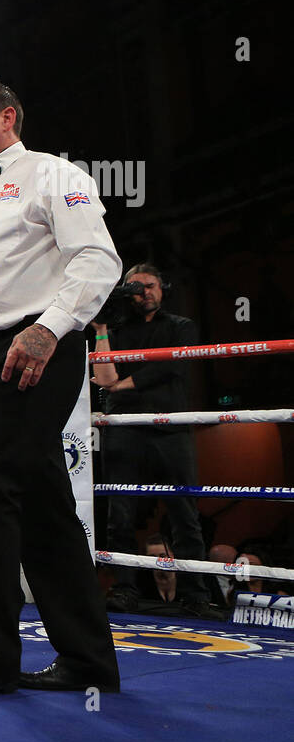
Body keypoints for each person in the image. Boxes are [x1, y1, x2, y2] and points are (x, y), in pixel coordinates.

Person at [0, 81, 122, 696]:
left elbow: (97, 259)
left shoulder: (52, 174)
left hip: (40, 349)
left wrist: (50, 329)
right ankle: (88, 662)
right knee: (46, 514)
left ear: (7, 117)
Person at [92, 263, 224, 620]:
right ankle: (124, 590)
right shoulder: (115, 330)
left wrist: (125, 384)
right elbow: (104, 378)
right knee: (119, 514)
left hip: (171, 428)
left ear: (162, 288)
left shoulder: (180, 326)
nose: (143, 292)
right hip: (125, 427)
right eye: (135, 287)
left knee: (185, 514)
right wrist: (102, 327)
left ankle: (195, 595)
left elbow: (171, 368)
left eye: (149, 286)